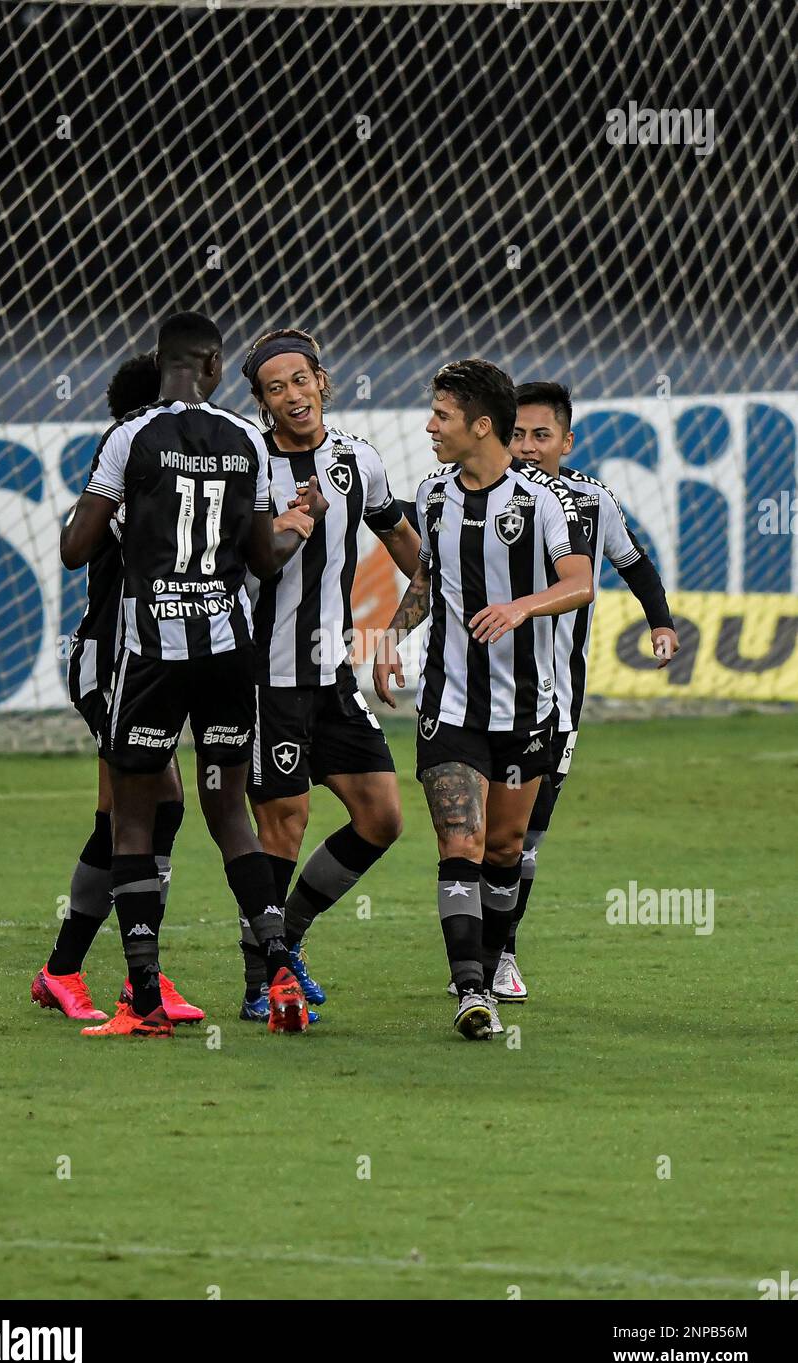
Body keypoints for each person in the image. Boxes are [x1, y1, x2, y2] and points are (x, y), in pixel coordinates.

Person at [60, 311, 324, 1036]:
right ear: (211, 366)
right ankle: (276, 969)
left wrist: (121, 514)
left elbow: (75, 548)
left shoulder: (130, 437)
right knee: (229, 813)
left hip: (152, 656)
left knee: (135, 816)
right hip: (227, 656)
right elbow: (265, 559)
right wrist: (295, 525)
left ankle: (142, 998)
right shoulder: (245, 440)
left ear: (166, 361)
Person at [373, 360, 593, 1040]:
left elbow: (580, 581)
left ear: (480, 426)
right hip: (451, 704)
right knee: (459, 838)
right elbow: (431, 580)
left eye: (441, 416)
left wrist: (521, 607)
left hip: (527, 710)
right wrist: (390, 636)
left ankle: (494, 961)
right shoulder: (433, 494)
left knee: (503, 850)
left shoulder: (540, 501)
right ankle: (471, 991)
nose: (429, 426)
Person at [235, 328, 420, 1021]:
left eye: (300, 380)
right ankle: (263, 979)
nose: (292, 395)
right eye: (275, 387)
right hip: (266, 678)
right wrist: (283, 529)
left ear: (321, 381)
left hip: (331, 674)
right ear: (260, 400)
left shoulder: (354, 461)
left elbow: (404, 541)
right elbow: (239, 560)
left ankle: (289, 941)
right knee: (285, 821)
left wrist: (402, 627)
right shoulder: (248, 465)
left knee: (381, 815)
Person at [489, 380, 679, 1001]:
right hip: (477, 694)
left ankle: (500, 954)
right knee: (471, 833)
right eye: (517, 433)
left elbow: (634, 565)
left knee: (526, 837)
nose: (527, 446)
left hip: (556, 702)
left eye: (541, 435)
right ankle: (473, 959)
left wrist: (661, 624)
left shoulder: (593, 501)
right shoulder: (475, 493)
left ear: (567, 442)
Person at [31, 353, 200, 1024]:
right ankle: (81, 971)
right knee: (134, 808)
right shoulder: (134, 471)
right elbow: (78, 549)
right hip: (108, 663)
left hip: (148, 660)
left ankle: (110, 971)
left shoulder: (171, 469)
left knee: (157, 808)